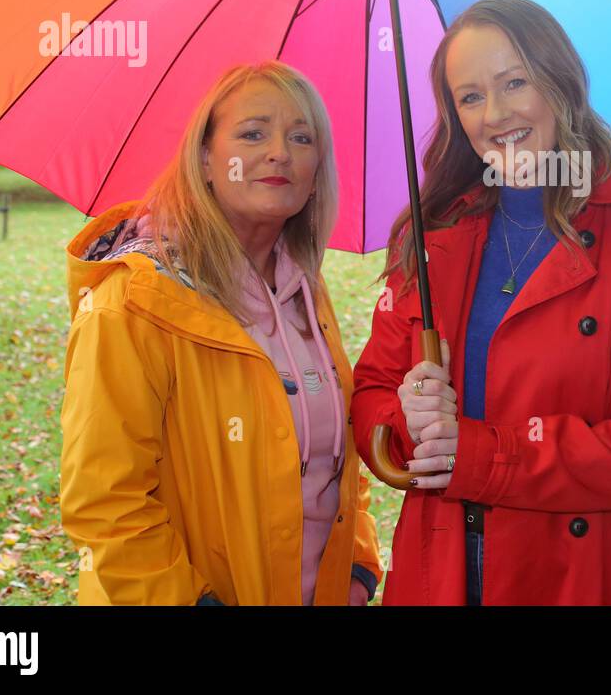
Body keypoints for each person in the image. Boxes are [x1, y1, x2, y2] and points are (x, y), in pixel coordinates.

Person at [351, 0, 611, 605]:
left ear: (560, 82)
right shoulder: (432, 236)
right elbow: (371, 396)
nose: (494, 114)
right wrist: (408, 422)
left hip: (583, 578)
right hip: (440, 574)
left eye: (513, 82)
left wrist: (489, 457)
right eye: (469, 96)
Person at [61, 62, 382, 605]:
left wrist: (356, 565)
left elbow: (331, 458)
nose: (280, 151)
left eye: (301, 137)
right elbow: (105, 503)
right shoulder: (132, 302)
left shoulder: (303, 292)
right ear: (205, 159)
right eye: (253, 133)